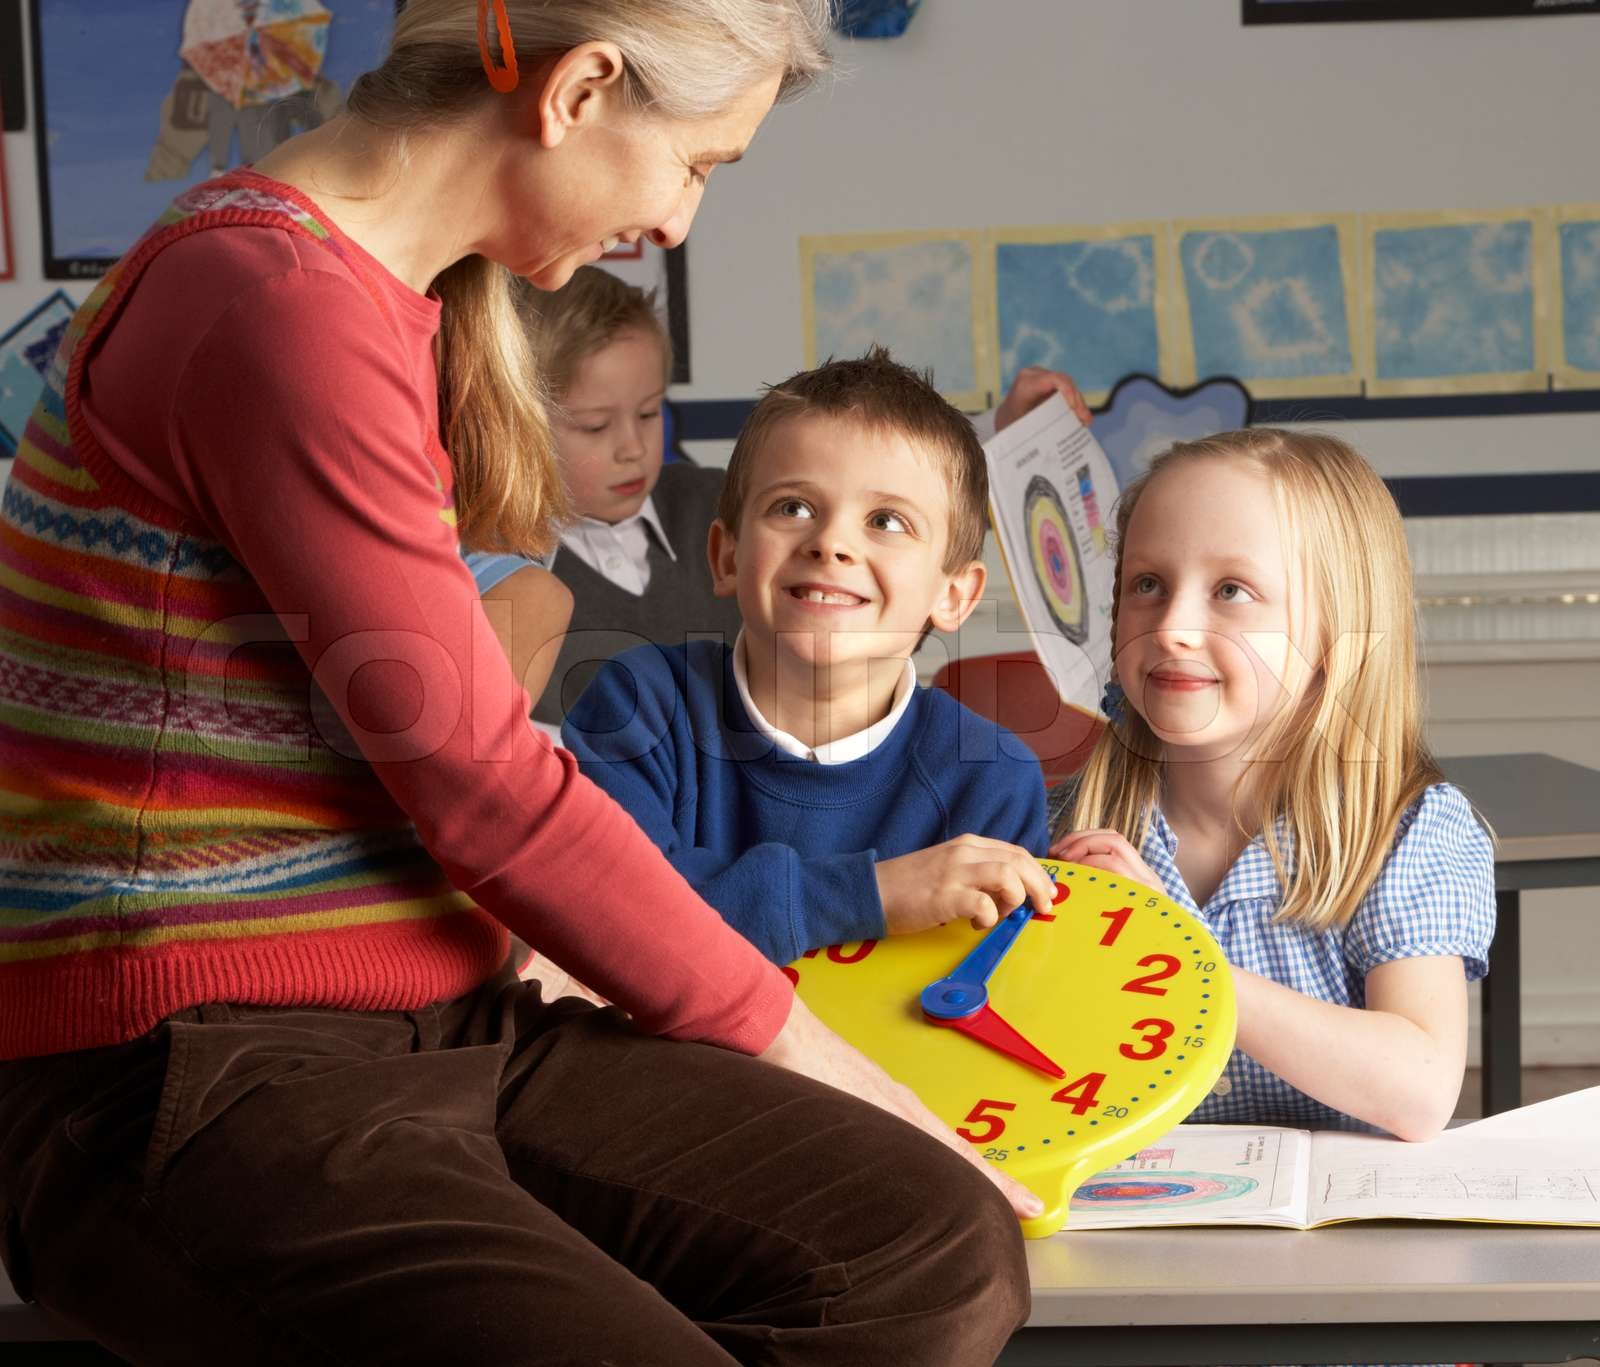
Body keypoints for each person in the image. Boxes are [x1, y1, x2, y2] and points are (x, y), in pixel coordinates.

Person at [0, 4, 1044, 1364]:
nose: (676, 222)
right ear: (581, 89)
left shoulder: (387, 304)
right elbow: (487, 787)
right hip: (195, 1058)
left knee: (931, 1246)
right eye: (699, 165)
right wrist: (833, 1063)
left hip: (440, 1021)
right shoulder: (272, 299)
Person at [1046, 428, 1495, 1141]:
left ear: (1335, 633)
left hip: (1345, 1236)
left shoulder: (1404, 832)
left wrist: (1176, 950)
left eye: (1232, 590)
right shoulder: (1068, 824)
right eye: (1147, 584)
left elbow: (1420, 1090)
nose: (1173, 627)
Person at [563, 348, 1057, 965]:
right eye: (793, 507)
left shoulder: (992, 778)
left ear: (953, 595)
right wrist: (873, 894)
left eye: (887, 520)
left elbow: (992, 995)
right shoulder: (636, 706)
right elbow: (614, 926)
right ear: (725, 557)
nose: (831, 543)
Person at [466, 266, 742, 729]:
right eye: (595, 426)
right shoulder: (499, 571)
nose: (632, 448)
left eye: (649, 412)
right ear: (516, 425)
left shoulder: (726, 507)